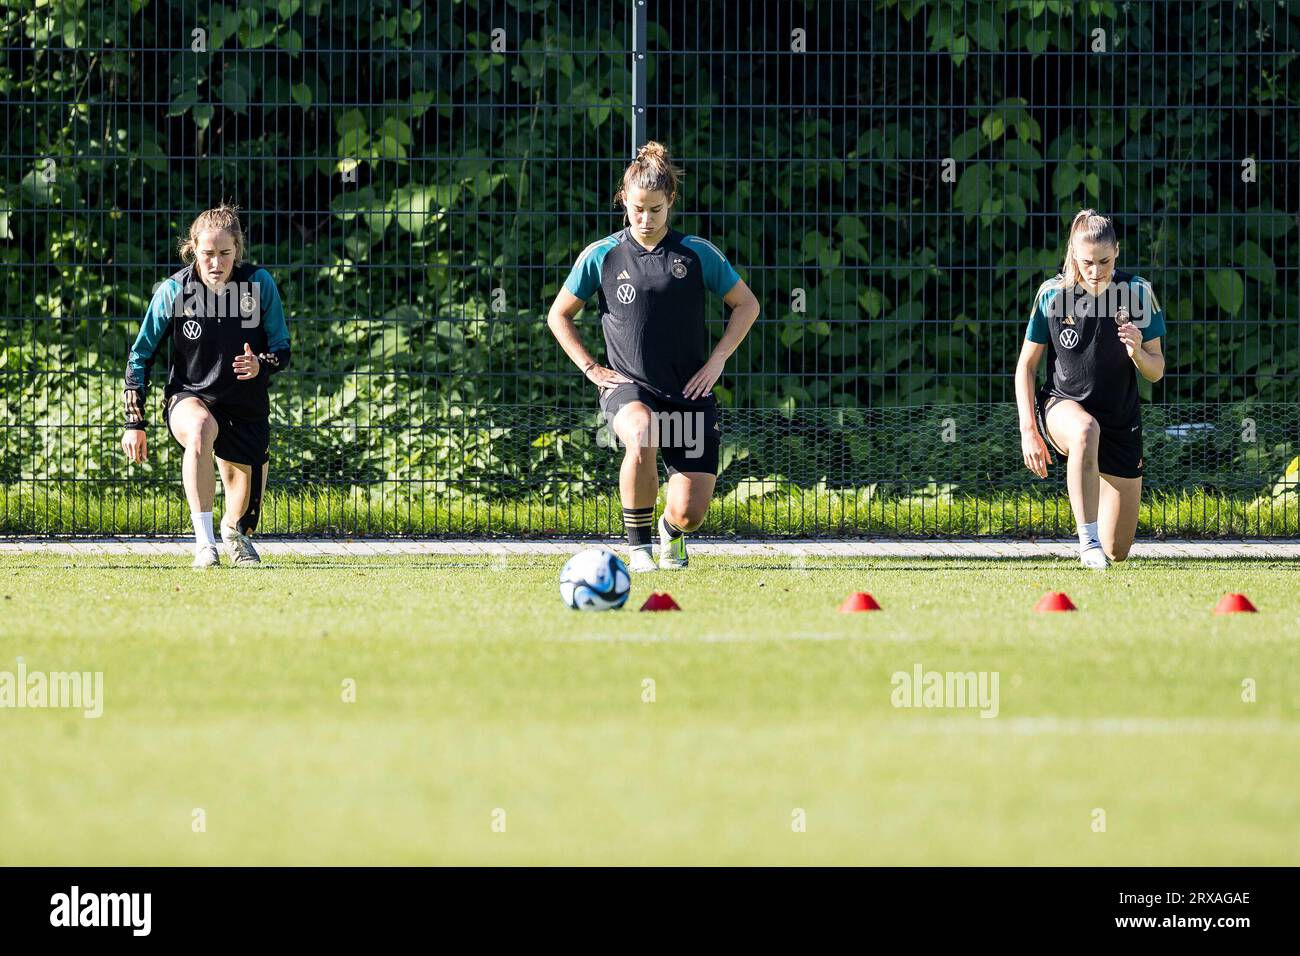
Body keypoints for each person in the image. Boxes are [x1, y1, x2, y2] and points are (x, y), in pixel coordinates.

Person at [547, 142, 761, 571]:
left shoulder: (697, 253)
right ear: (624, 200)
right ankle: (639, 547)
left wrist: (717, 360)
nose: (645, 220)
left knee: (690, 513)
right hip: (629, 387)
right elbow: (559, 315)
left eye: (656, 210)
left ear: (671, 203)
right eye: (638, 209)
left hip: (689, 391)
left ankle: (670, 533)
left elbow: (747, 305)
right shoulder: (602, 255)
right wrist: (590, 368)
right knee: (642, 431)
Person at [121, 204, 291, 569]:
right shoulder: (173, 291)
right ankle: (204, 544)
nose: (216, 263)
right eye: (207, 254)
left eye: (225, 254)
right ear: (193, 250)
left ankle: (232, 532)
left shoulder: (259, 284)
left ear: (237, 251)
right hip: (190, 396)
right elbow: (139, 357)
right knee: (199, 430)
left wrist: (260, 363)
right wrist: (134, 422)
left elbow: (282, 349)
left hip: (245, 405)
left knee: (243, 516)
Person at [1015, 209, 1166, 569]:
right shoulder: (1051, 295)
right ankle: (1086, 543)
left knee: (1118, 550)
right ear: (1073, 255)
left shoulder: (1138, 292)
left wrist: (1137, 352)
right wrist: (1028, 431)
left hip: (1120, 419)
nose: (1096, 271)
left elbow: (1156, 371)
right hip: (1063, 407)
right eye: (1087, 263)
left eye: (1105, 261)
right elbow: (1026, 367)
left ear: (1117, 252)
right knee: (1085, 430)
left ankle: (1099, 529)